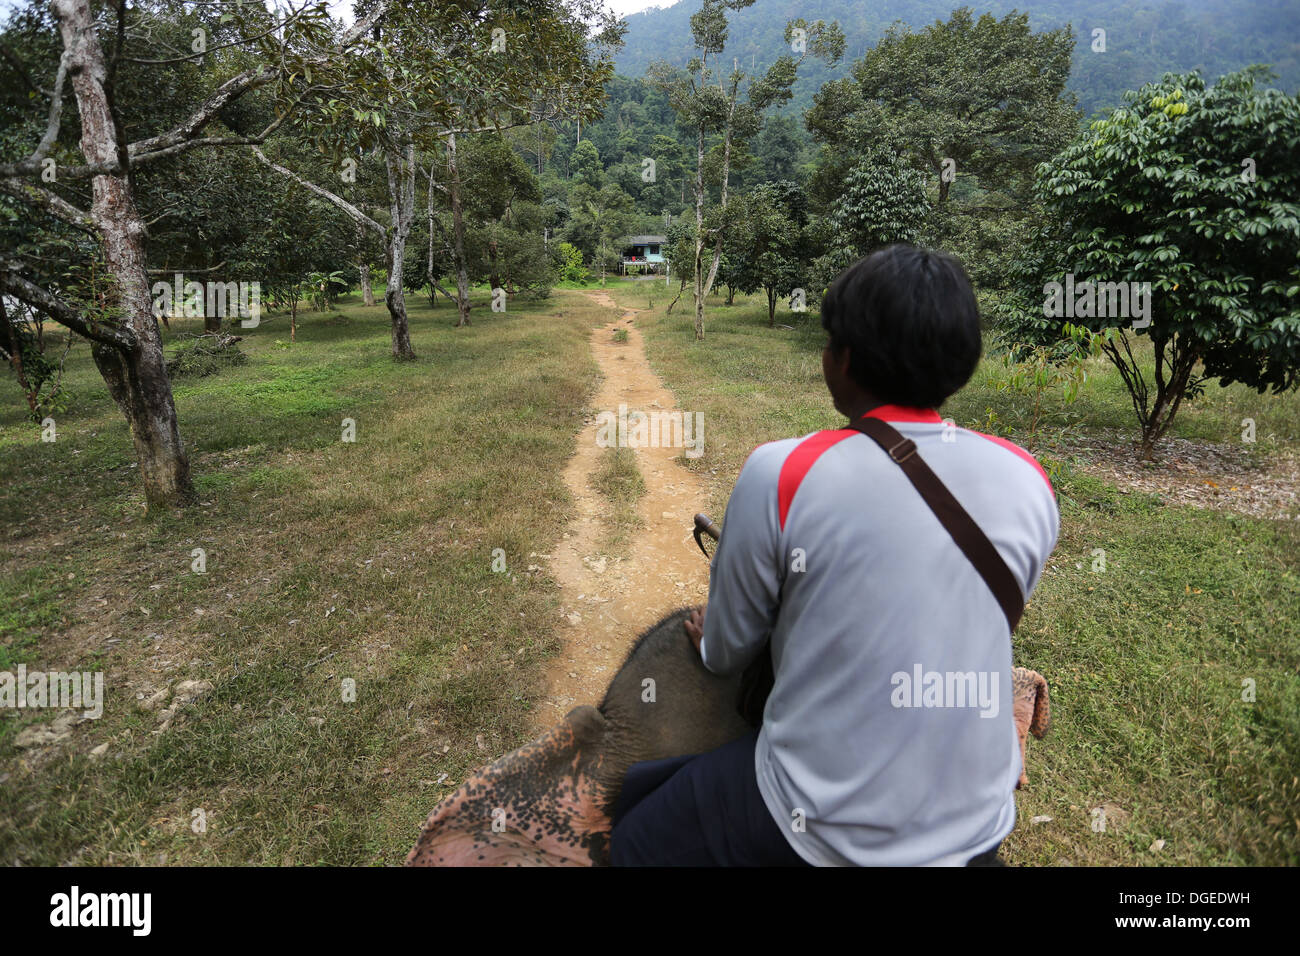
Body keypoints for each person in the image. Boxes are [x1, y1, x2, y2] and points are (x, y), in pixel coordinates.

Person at [608, 244, 1060, 866]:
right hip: (979, 824)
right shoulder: (1027, 476)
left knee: (633, 839)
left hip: (813, 822)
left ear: (841, 361)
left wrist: (713, 637)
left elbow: (728, 649)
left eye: (828, 341)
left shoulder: (784, 471)